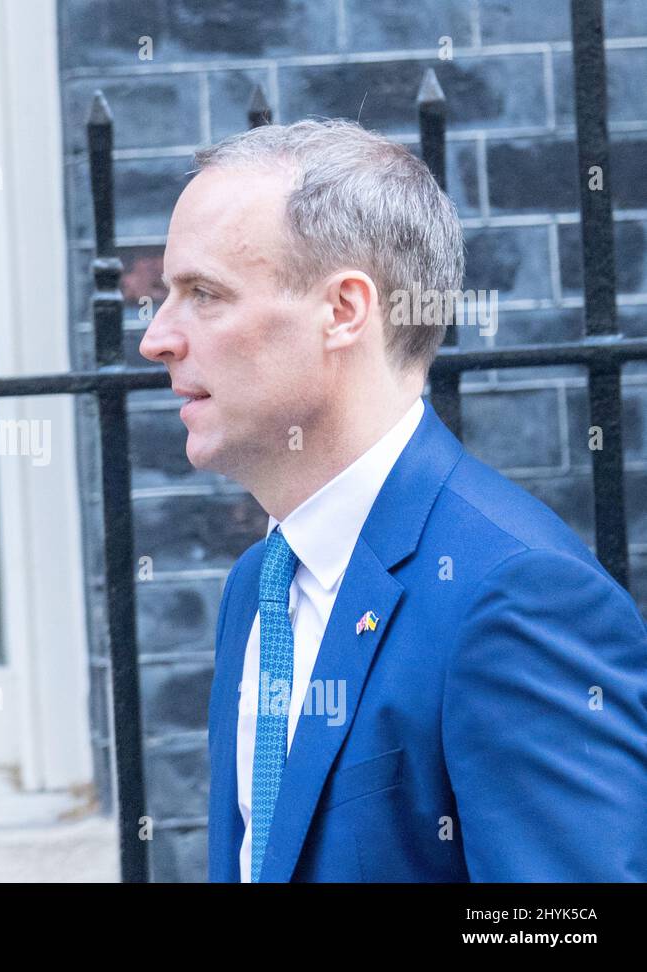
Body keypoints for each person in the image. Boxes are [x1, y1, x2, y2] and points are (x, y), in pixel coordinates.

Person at [138, 118, 647, 882]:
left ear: (343, 310)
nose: (157, 338)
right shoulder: (261, 583)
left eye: (204, 294)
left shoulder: (517, 593)